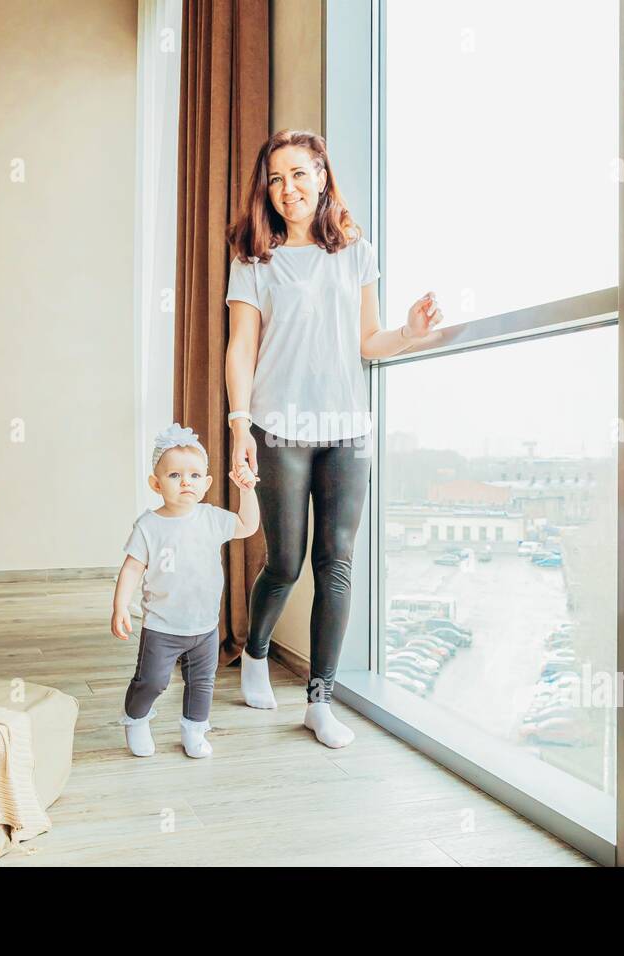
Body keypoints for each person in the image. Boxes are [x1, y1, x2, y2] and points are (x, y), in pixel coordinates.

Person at [223, 129, 444, 748]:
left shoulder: (355, 252)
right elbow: (240, 348)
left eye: (297, 174)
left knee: (337, 563)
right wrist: (240, 424)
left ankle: (321, 700)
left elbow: (367, 342)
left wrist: (409, 331)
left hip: (347, 428)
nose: (286, 189)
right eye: (274, 179)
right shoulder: (254, 260)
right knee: (286, 561)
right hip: (279, 427)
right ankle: (258, 651)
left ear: (322, 176)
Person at [111, 423, 259, 758]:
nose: (185, 482)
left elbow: (247, 525)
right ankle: (136, 719)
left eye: (194, 476)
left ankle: (194, 731)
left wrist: (247, 491)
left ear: (205, 484)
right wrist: (121, 606)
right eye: (175, 476)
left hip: (205, 625)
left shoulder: (211, 518)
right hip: (162, 625)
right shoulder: (148, 525)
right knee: (151, 681)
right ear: (156, 483)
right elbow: (132, 568)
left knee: (202, 684)